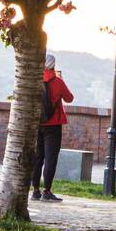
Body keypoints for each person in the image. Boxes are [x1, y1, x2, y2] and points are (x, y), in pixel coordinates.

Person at [33, 53, 73, 202]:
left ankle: (35, 191)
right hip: (54, 125)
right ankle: (47, 191)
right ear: (53, 65)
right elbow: (69, 98)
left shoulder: (34, 80)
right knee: (50, 158)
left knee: (38, 158)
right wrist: (61, 80)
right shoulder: (58, 81)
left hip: (37, 124)